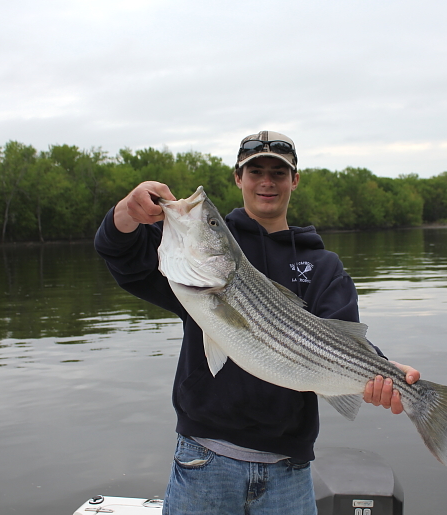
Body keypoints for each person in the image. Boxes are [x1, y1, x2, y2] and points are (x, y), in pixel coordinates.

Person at [94, 130, 420, 515]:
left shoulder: (323, 265)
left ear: (294, 180)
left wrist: (383, 370)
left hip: (289, 471)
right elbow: (122, 255)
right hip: (203, 462)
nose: (267, 182)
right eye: (256, 172)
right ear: (238, 177)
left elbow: (339, 336)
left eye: (278, 173)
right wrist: (126, 212)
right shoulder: (189, 273)